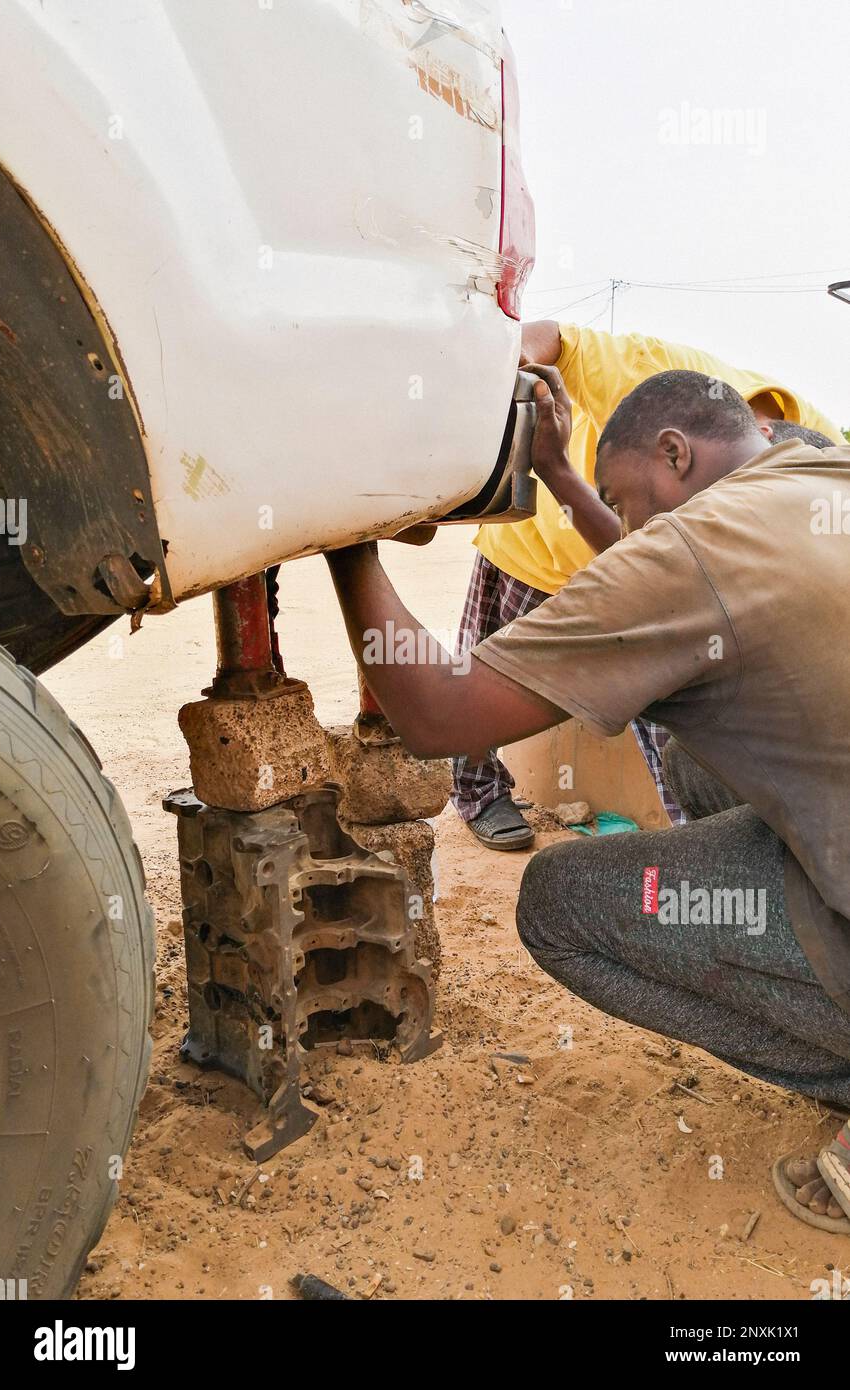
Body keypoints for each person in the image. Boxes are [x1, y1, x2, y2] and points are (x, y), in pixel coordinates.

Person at [325, 367, 850, 1231]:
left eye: (625, 501)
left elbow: (437, 714)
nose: (630, 530)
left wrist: (347, 540)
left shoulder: (695, 554)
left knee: (562, 904)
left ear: (675, 453)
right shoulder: (808, 469)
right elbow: (672, 574)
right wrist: (568, 476)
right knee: (691, 763)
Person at [452, 323, 843, 849]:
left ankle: (702, 840)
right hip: (537, 550)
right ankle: (478, 791)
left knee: (676, 711)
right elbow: (550, 337)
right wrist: (495, 378)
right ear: (678, 452)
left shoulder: (819, 458)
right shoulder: (647, 368)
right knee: (487, 669)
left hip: (663, 590)